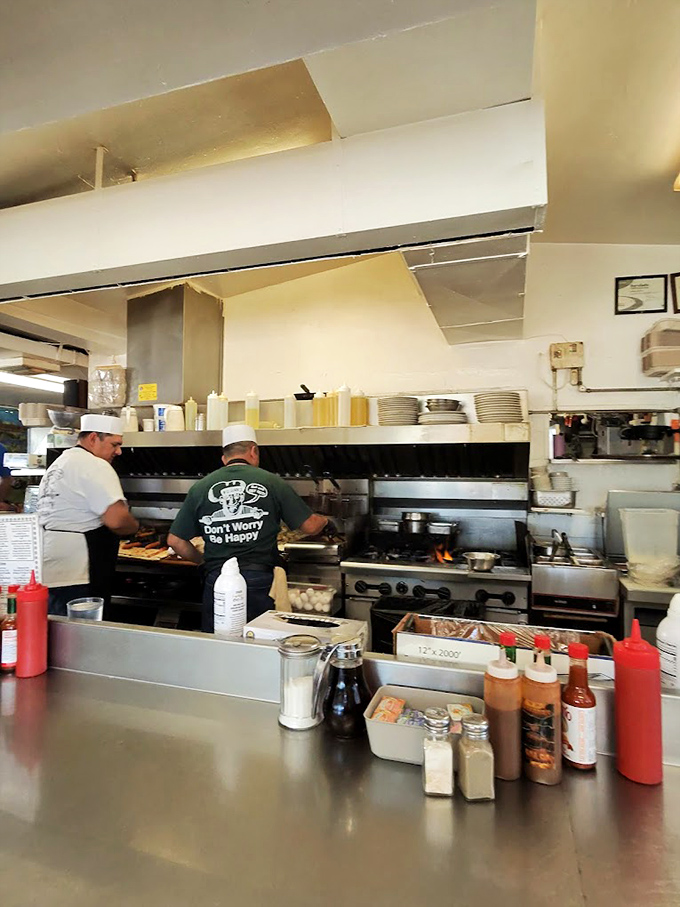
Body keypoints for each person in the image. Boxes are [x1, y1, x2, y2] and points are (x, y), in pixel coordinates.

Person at [168, 424, 329, 632]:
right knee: (259, 643)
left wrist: (204, 561)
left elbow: (175, 541)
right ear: (253, 451)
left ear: (224, 458)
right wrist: (326, 520)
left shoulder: (200, 488)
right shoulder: (271, 482)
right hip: (259, 582)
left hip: (218, 581)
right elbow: (310, 526)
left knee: (219, 643)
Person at [38, 414, 139, 615]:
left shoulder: (60, 462)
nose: (119, 451)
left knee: (58, 626)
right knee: (81, 628)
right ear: (93, 438)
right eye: (114, 444)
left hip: (50, 565)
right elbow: (117, 520)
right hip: (78, 568)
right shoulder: (95, 464)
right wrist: (135, 526)